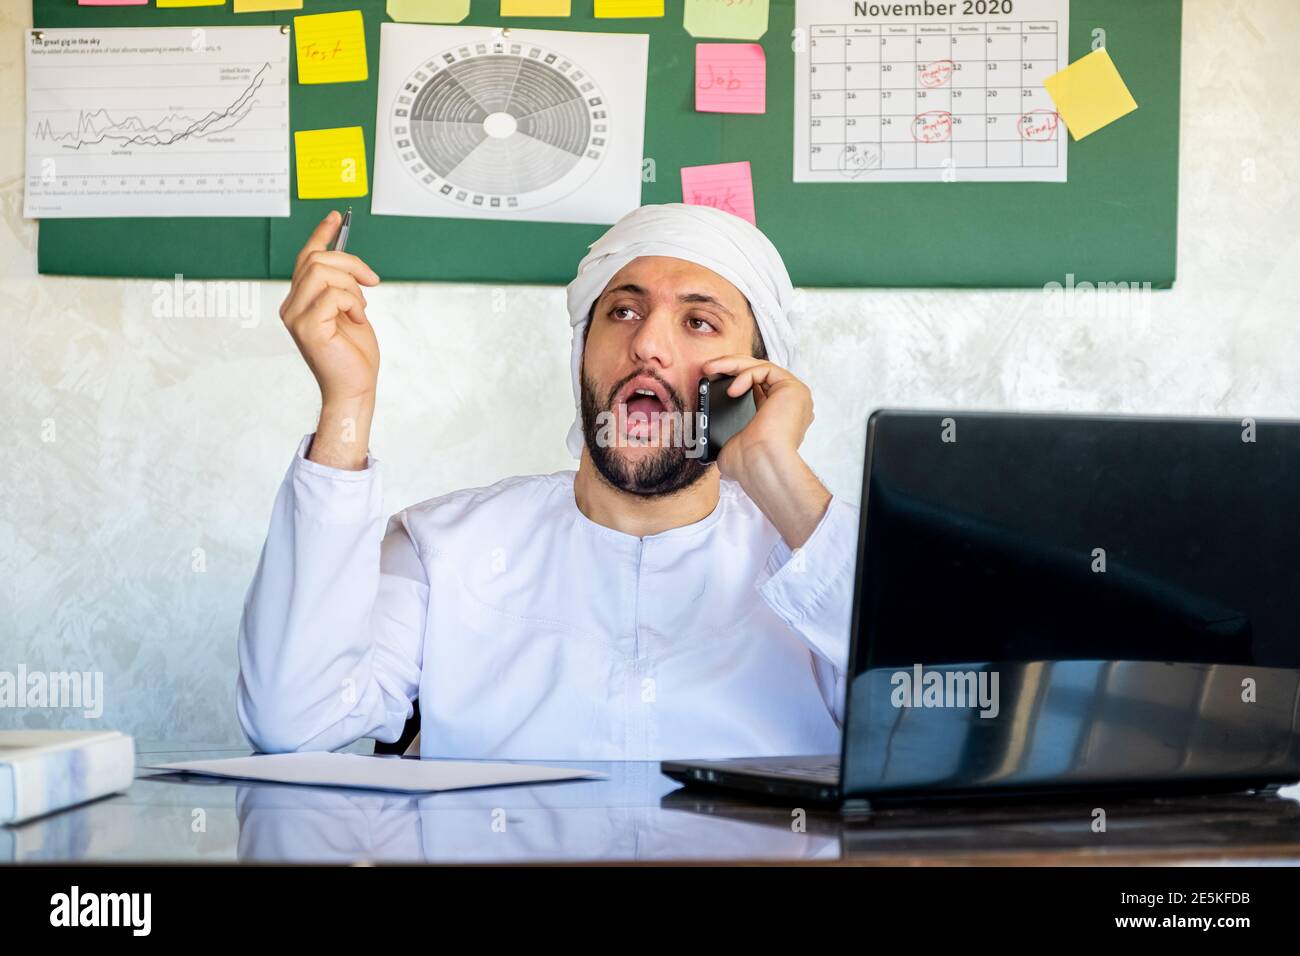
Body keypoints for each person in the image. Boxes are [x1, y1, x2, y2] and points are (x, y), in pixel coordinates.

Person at [236, 202, 860, 760]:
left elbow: (945, 724)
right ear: (582, 352)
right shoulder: (444, 548)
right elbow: (294, 721)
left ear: (753, 377)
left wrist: (777, 474)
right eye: (622, 310)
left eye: (698, 322)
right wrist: (347, 401)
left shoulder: (816, 557)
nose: (647, 343)